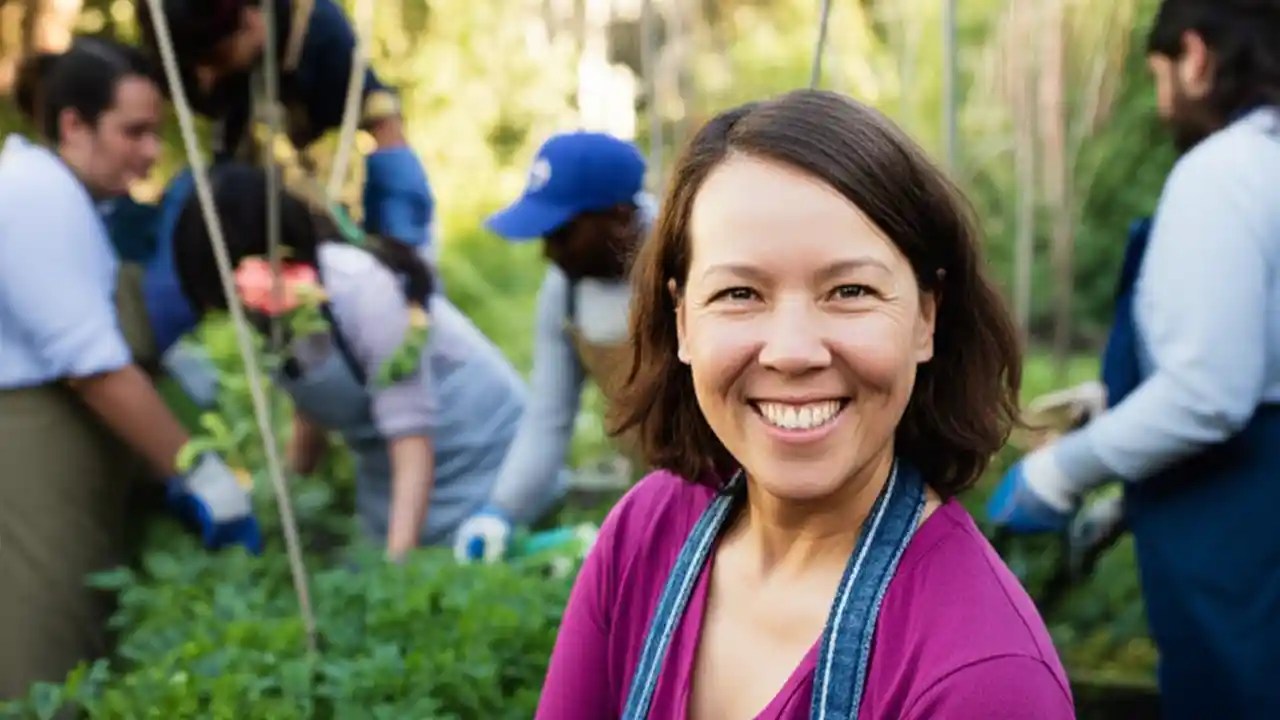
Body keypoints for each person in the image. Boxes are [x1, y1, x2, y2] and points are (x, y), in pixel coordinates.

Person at [536, 90, 1074, 719]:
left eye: (850, 290)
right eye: (739, 292)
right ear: (682, 321)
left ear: (926, 316)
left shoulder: (985, 680)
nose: (792, 352)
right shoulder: (646, 534)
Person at [988, 1, 1280, 717]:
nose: (1163, 104)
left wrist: (1062, 471)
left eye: (1161, 79)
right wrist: (1118, 406)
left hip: (1234, 527)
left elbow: (1208, 394)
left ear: (1196, 55)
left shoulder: (1221, 171)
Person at [0, 37, 260, 699]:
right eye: (134, 132)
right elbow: (94, 369)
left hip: (67, 464)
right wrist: (201, 473)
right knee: (43, 672)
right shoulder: (32, 194)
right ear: (73, 125)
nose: (150, 153)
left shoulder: (73, 200)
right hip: (30, 456)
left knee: (80, 652)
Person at [169, 163, 570, 560]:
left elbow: (412, 438)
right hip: (393, 482)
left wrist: (398, 568)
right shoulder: (278, 309)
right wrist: (282, 501)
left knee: (463, 567)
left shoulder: (357, 287)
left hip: (478, 457)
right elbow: (313, 397)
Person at [452, 131, 653, 563]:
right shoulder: (565, 294)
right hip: (659, 485)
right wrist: (501, 510)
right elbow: (548, 416)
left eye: (562, 234)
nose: (548, 252)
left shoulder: (692, 263)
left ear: (619, 215)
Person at [135, 0, 437, 257]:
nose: (206, 79)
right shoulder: (189, 51)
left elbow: (384, 124)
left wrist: (400, 239)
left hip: (335, 207)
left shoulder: (315, 28)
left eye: (216, 58)